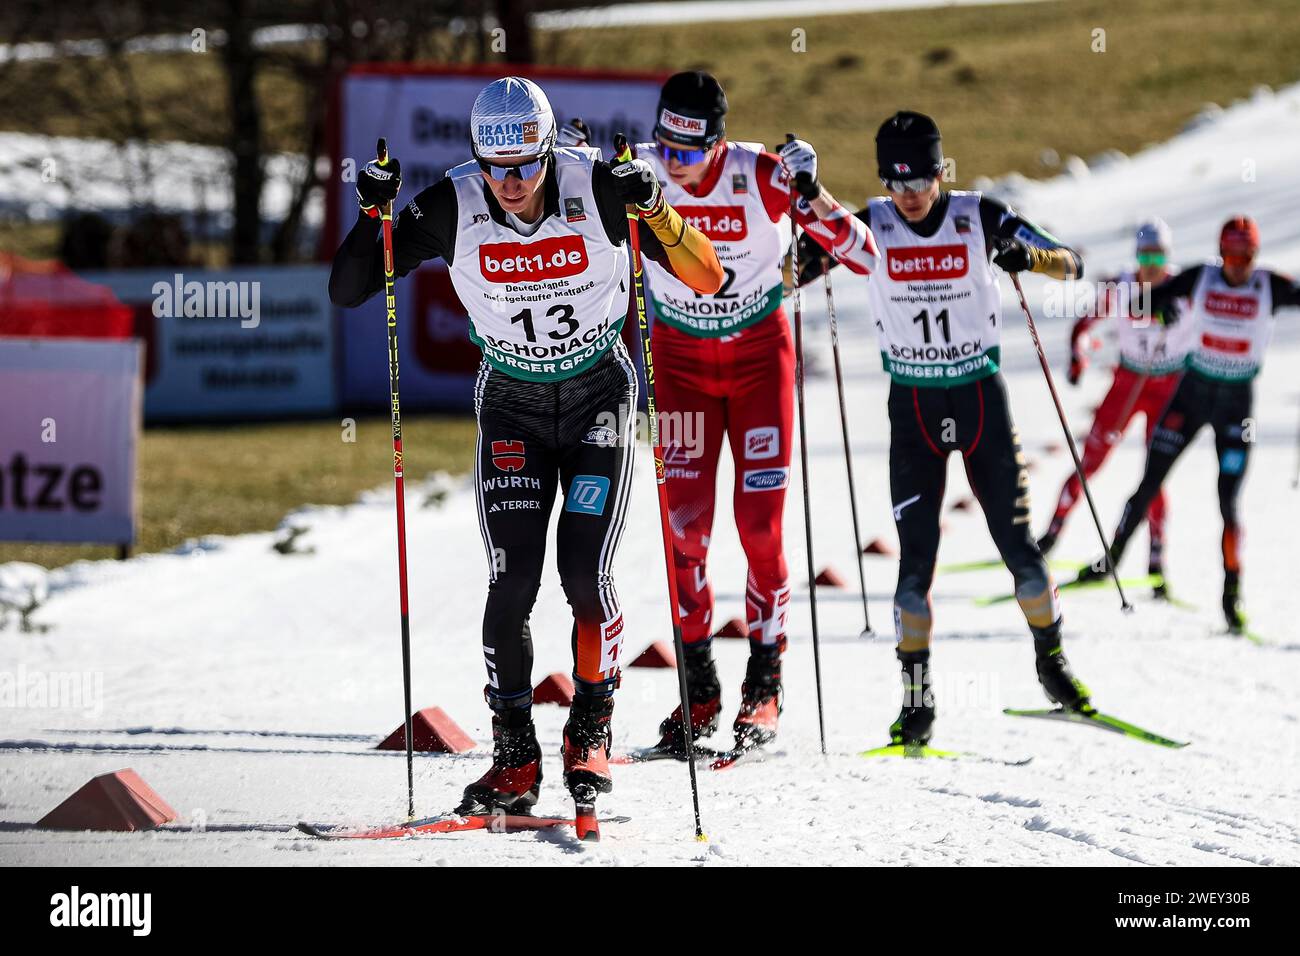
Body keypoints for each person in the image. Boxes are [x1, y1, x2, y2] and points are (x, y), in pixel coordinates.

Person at [328, 76, 723, 816]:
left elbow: (708, 275)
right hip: (510, 406)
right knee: (511, 586)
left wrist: (655, 209)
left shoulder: (598, 187)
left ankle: (591, 729)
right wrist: (372, 214)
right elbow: (349, 289)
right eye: (494, 167)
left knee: (583, 574)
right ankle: (514, 758)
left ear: (549, 151)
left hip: (597, 398)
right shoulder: (452, 203)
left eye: (524, 166)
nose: (509, 185)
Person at [564, 72, 880, 753]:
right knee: (686, 528)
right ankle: (699, 686)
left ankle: (764, 683)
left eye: (690, 151)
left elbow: (865, 253)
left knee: (760, 526)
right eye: (665, 146)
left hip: (762, 361)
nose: (674, 163)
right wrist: (569, 162)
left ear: (719, 141)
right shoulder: (640, 175)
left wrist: (809, 191)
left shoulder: (758, 172)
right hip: (678, 368)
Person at [802, 110, 1091, 745]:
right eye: (894, 182)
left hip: (981, 397)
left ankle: (1053, 662)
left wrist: (1030, 257)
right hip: (913, 411)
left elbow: (1072, 262)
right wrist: (802, 201)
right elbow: (785, 270)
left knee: (1021, 551)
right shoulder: (869, 227)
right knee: (914, 567)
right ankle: (917, 702)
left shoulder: (977, 215)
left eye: (920, 181)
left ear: (940, 170)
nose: (908, 196)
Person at [1076, 216, 1300, 633]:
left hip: (1235, 407)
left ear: (1256, 254)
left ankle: (1232, 596)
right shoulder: (1203, 276)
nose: (1237, 265)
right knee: (1149, 482)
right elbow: (1149, 296)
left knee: (1228, 503)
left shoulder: (1269, 285)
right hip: (1191, 397)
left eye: (1246, 256)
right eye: (1231, 255)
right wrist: (1156, 308)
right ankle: (1112, 560)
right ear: (1221, 252)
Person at [1037, 219, 1195, 597]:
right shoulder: (1122, 286)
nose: (1151, 263)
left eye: (1158, 255)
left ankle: (1156, 560)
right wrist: (1079, 359)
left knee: (1155, 473)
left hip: (1167, 387)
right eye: (1145, 255)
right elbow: (1084, 326)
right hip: (1128, 384)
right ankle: (1051, 535)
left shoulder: (1185, 288)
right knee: (1090, 460)